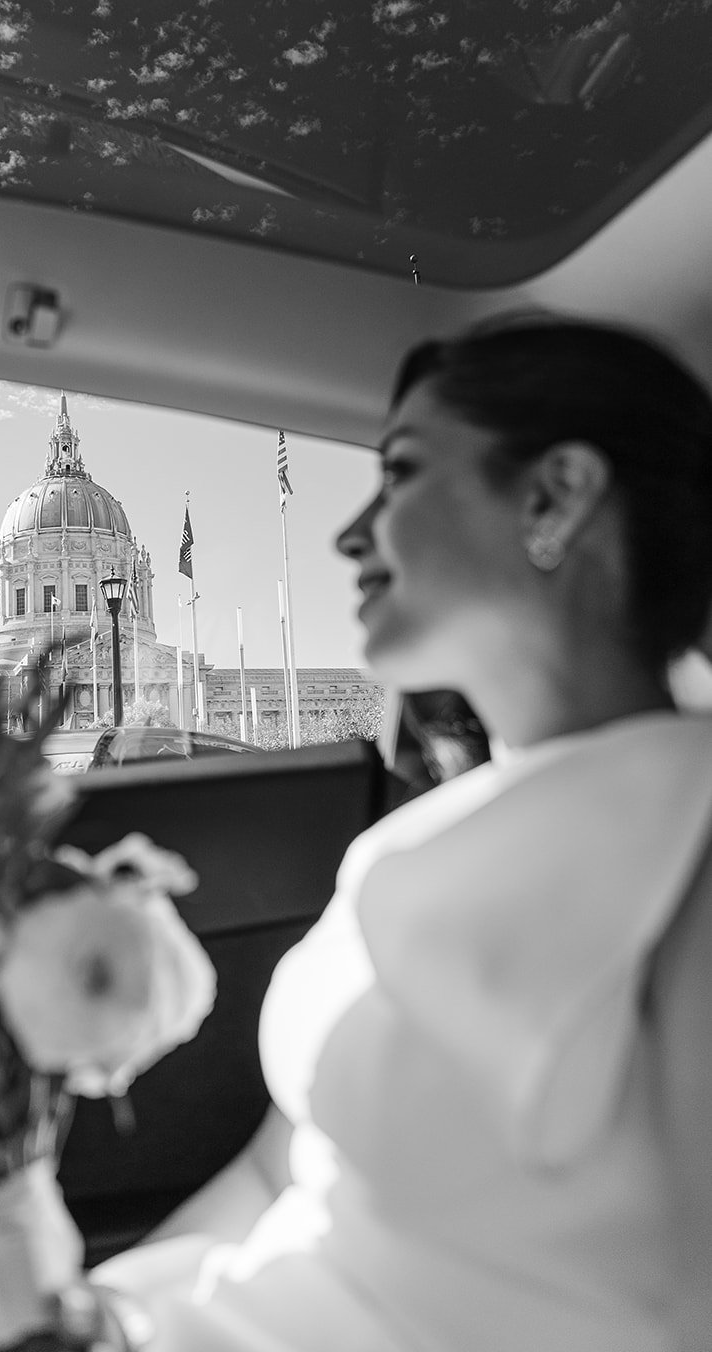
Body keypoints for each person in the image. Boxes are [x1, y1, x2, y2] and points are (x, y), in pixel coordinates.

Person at [94, 313, 712, 1351]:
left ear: (552, 496)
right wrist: (93, 1318)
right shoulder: (403, 840)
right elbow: (274, 1176)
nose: (349, 532)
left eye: (402, 474)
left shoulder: (685, 839)